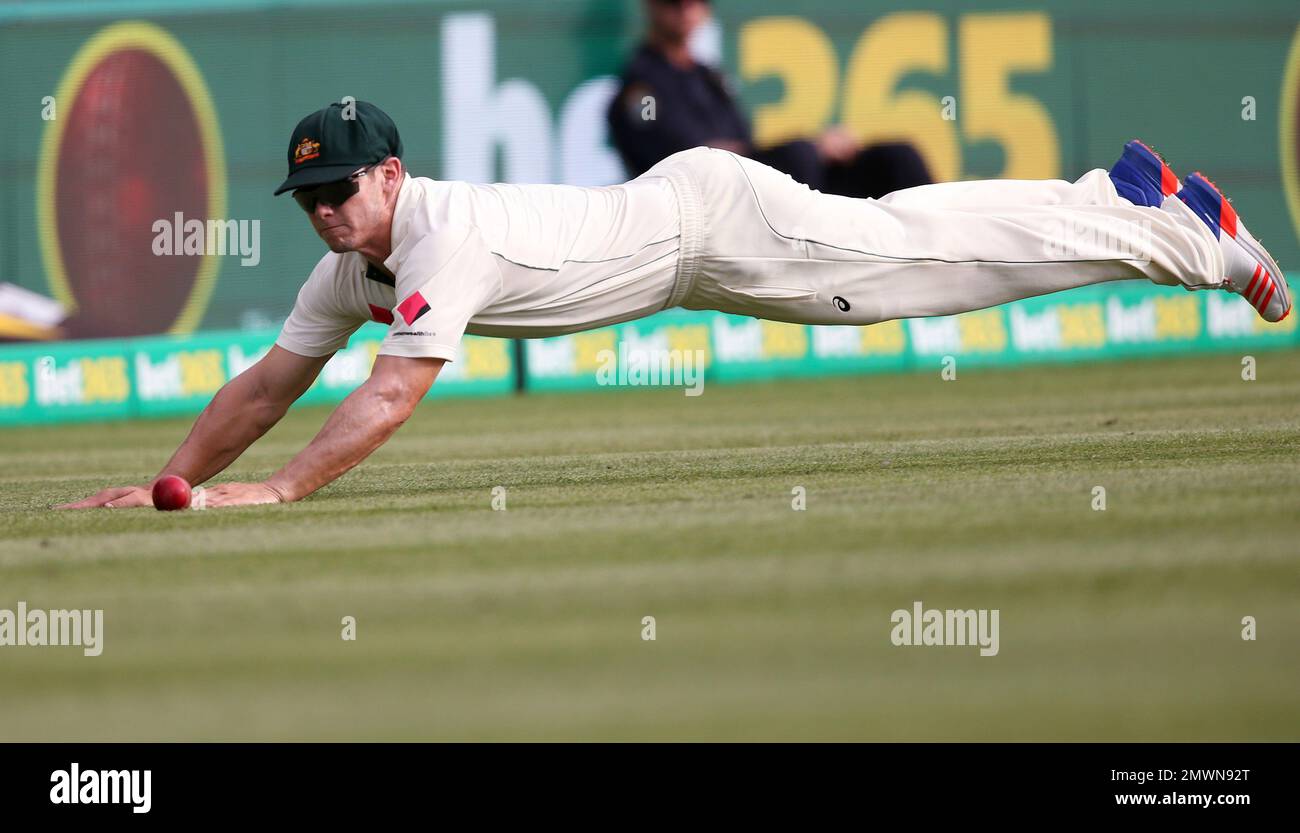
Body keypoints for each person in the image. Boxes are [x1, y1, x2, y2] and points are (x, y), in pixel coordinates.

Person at [55, 102, 1289, 510]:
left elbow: (388, 392)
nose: (323, 211)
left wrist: (271, 496)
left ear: (388, 175)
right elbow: (268, 384)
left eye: (339, 188)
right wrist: (167, 478)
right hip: (698, 238)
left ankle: (1177, 235)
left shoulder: (441, 230)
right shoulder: (354, 264)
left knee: (918, 264)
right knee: (914, 247)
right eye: (306, 196)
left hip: (711, 227)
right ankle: (1119, 202)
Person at [607, 0, 932, 198]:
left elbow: (746, 143)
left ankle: (943, 260)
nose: (688, 7)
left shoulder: (709, 76)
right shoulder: (640, 88)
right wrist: (811, 147)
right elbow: (697, 160)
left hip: (754, 198)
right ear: (651, 4)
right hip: (709, 207)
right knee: (799, 156)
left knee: (897, 157)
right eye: (674, 0)